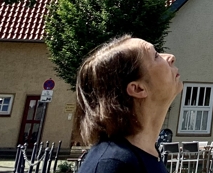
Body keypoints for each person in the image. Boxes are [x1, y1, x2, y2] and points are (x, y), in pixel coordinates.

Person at [76, 36, 182, 173]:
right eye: (155, 56)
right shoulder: (113, 164)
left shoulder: (146, 155)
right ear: (138, 88)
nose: (170, 57)